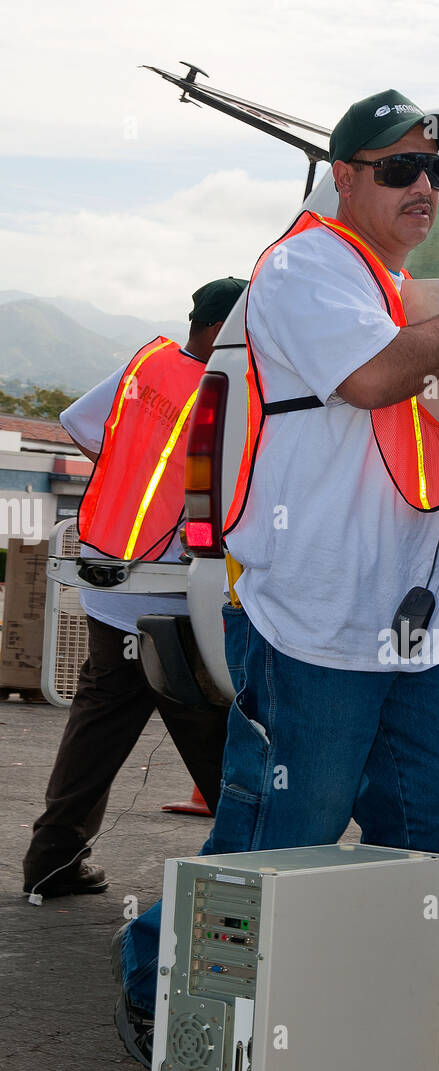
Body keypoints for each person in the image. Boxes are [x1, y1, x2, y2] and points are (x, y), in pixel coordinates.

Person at [115, 90, 439, 1071]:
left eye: (435, 173)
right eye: (399, 169)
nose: (424, 186)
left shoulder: (383, 284)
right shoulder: (303, 269)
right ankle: (156, 981)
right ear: (342, 175)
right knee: (276, 837)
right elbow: (377, 382)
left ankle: (417, 1039)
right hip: (308, 626)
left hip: (402, 627)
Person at [23, 278, 247, 899]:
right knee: (213, 732)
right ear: (228, 329)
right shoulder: (229, 391)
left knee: (97, 729)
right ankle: (249, 864)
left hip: (107, 577)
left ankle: (52, 860)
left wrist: (136, 470)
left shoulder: (146, 364)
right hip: (172, 592)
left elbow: (80, 425)